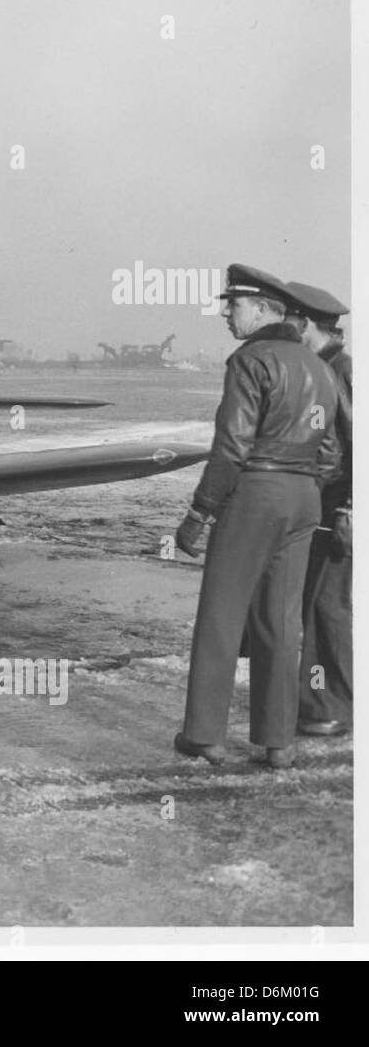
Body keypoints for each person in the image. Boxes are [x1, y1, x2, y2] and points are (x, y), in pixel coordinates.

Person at [173, 264, 340, 769]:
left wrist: (199, 513)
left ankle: (204, 734)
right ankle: (277, 742)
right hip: (303, 499)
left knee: (222, 615)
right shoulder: (320, 367)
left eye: (234, 304)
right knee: (281, 621)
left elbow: (230, 448)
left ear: (266, 310)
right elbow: (330, 453)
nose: (226, 312)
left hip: (255, 495)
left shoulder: (251, 361)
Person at [284, 280, 352, 736]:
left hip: (337, 507)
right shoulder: (328, 366)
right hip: (328, 504)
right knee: (323, 605)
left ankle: (332, 707)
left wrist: (348, 508)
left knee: (328, 606)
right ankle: (324, 703)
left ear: (306, 323)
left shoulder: (338, 371)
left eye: (289, 321)